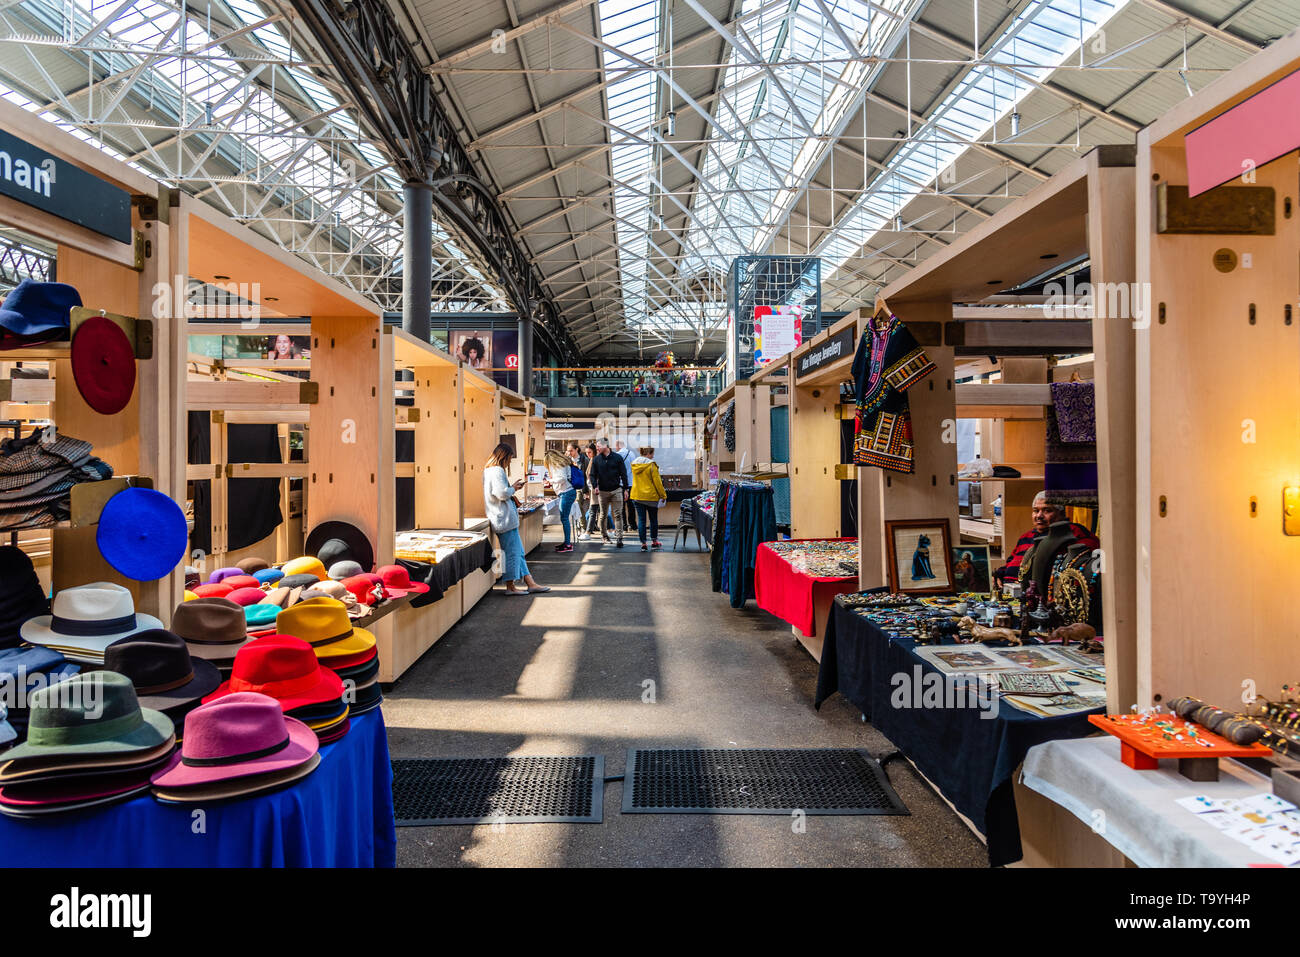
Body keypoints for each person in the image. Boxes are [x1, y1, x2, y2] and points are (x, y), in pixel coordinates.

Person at [483, 443, 550, 595]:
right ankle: (511, 587)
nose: (510, 462)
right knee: (513, 553)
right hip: (504, 518)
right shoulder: (498, 471)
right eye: (510, 458)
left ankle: (530, 582)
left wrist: (512, 487)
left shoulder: (488, 470)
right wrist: (514, 488)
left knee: (517, 552)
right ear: (504, 456)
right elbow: (501, 493)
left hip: (500, 517)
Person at [994, 491, 1100, 585]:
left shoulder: (1073, 532)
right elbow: (1011, 562)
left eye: (1047, 510)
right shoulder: (1026, 537)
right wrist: (1000, 573)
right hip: (1007, 593)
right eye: (1036, 510)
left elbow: (1089, 561)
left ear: (1061, 514)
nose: (1039, 516)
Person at [591, 439, 628, 547]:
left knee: (618, 514)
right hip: (602, 491)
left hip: (616, 490)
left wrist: (626, 489)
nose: (597, 448)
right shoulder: (596, 459)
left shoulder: (617, 458)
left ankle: (619, 538)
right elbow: (592, 475)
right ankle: (604, 535)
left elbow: (623, 474)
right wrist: (595, 486)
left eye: (598, 446)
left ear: (605, 445)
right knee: (603, 515)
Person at [629, 446, 667, 551]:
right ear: (649, 454)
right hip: (651, 496)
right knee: (653, 519)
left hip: (637, 495)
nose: (653, 456)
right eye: (652, 454)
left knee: (641, 520)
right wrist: (663, 495)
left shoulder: (634, 464)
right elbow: (658, 482)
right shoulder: (651, 465)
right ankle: (654, 541)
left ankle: (643, 544)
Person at [546, 447, 578, 553]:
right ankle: (566, 543)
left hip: (566, 493)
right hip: (567, 493)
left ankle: (568, 544)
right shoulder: (563, 463)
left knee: (564, 519)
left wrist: (550, 481)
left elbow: (562, 479)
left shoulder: (559, 465)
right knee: (564, 519)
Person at [614, 440, 635, 533]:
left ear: (618, 446)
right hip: (631, 482)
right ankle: (633, 525)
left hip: (620, 483)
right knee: (631, 506)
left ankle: (624, 525)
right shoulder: (632, 454)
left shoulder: (617, 455)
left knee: (621, 506)